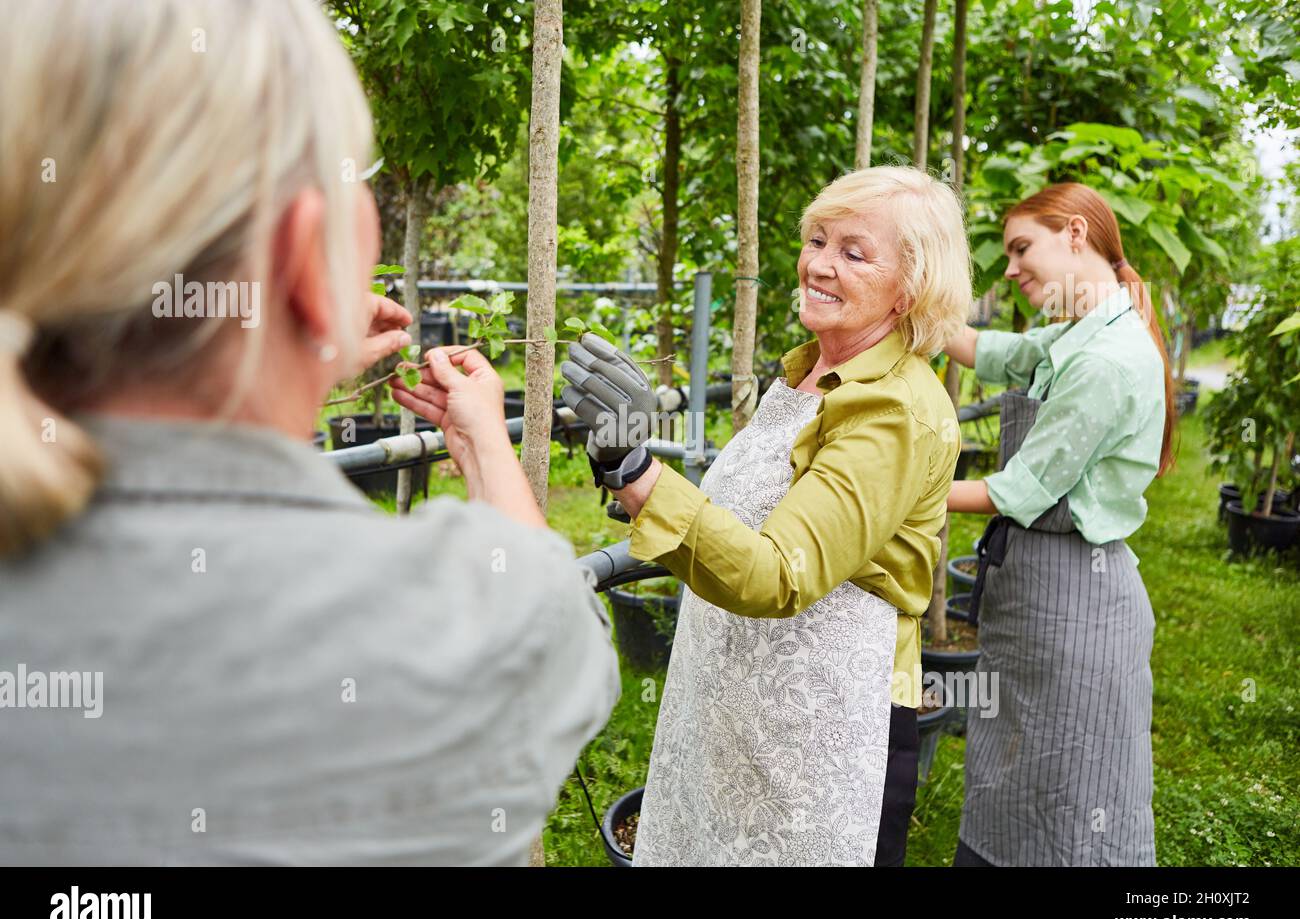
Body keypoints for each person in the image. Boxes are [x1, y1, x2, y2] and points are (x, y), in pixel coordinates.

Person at [0, 0, 618, 865]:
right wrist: (479, 438)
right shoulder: (463, 629)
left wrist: (285, 349)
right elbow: (562, 619)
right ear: (310, 247)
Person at [556, 166, 968, 865]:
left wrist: (636, 471)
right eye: (816, 240)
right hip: (730, 702)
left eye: (853, 252)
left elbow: (778, 574)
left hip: (826, 727)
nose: (820, 264)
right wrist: (621, 469)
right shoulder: (810, 371)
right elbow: (731, 521)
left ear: (911, 289)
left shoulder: (894, 410)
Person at [942, 181, 1173, 866]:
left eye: (1021, 248)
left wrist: (898, 489)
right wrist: (909, 307)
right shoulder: (1078, 330)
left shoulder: (1104, 359)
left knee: (1072, 794)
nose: (1010, 269)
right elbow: (991, 351)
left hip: (1079, 606)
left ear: (1075, 234)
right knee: (1013, 772)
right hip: (1040, 591)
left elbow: (1021, 489)